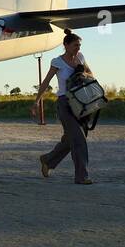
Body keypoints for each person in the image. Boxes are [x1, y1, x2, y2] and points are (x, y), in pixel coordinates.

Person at [34, 33, 94, 184]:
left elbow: (91, 74)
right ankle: (82, 176)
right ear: (66, 45)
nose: (77, 48)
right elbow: (46, 82)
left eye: (79, 46)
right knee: (79, 139)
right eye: (75, 45)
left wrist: (83, 74)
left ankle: (48, 160)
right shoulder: (57, 62)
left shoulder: (80, 57)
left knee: (72, 139)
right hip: (65, 103)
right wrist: (36, 101)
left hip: (80, 102)